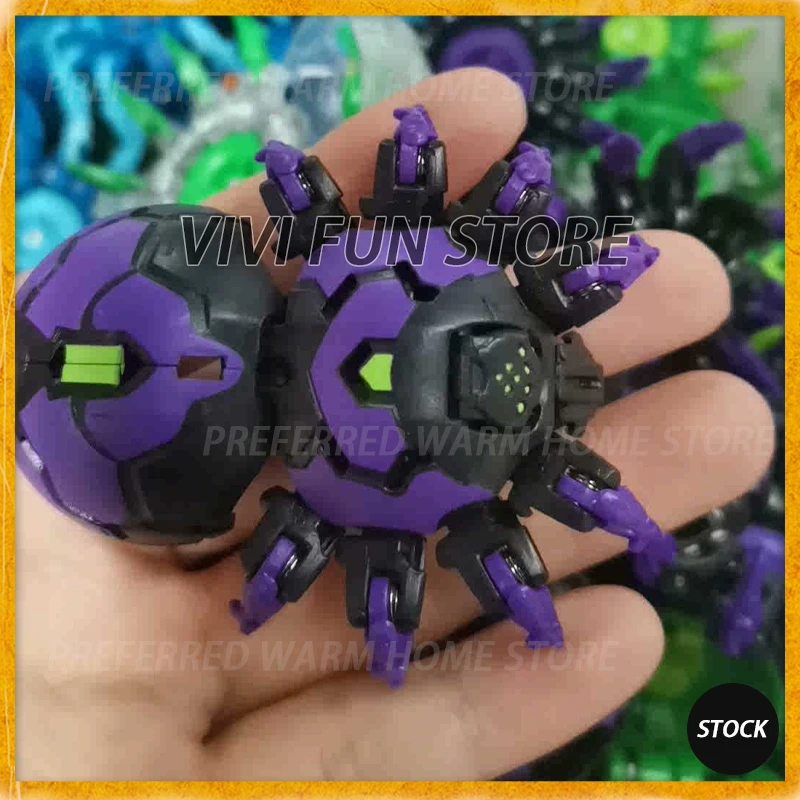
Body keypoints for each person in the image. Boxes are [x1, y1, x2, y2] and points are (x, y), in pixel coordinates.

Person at [16, 69, 775, 780]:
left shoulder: (448, 265)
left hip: (163, 347)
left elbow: (466, 177)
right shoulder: (443, 490)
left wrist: (439, 151)